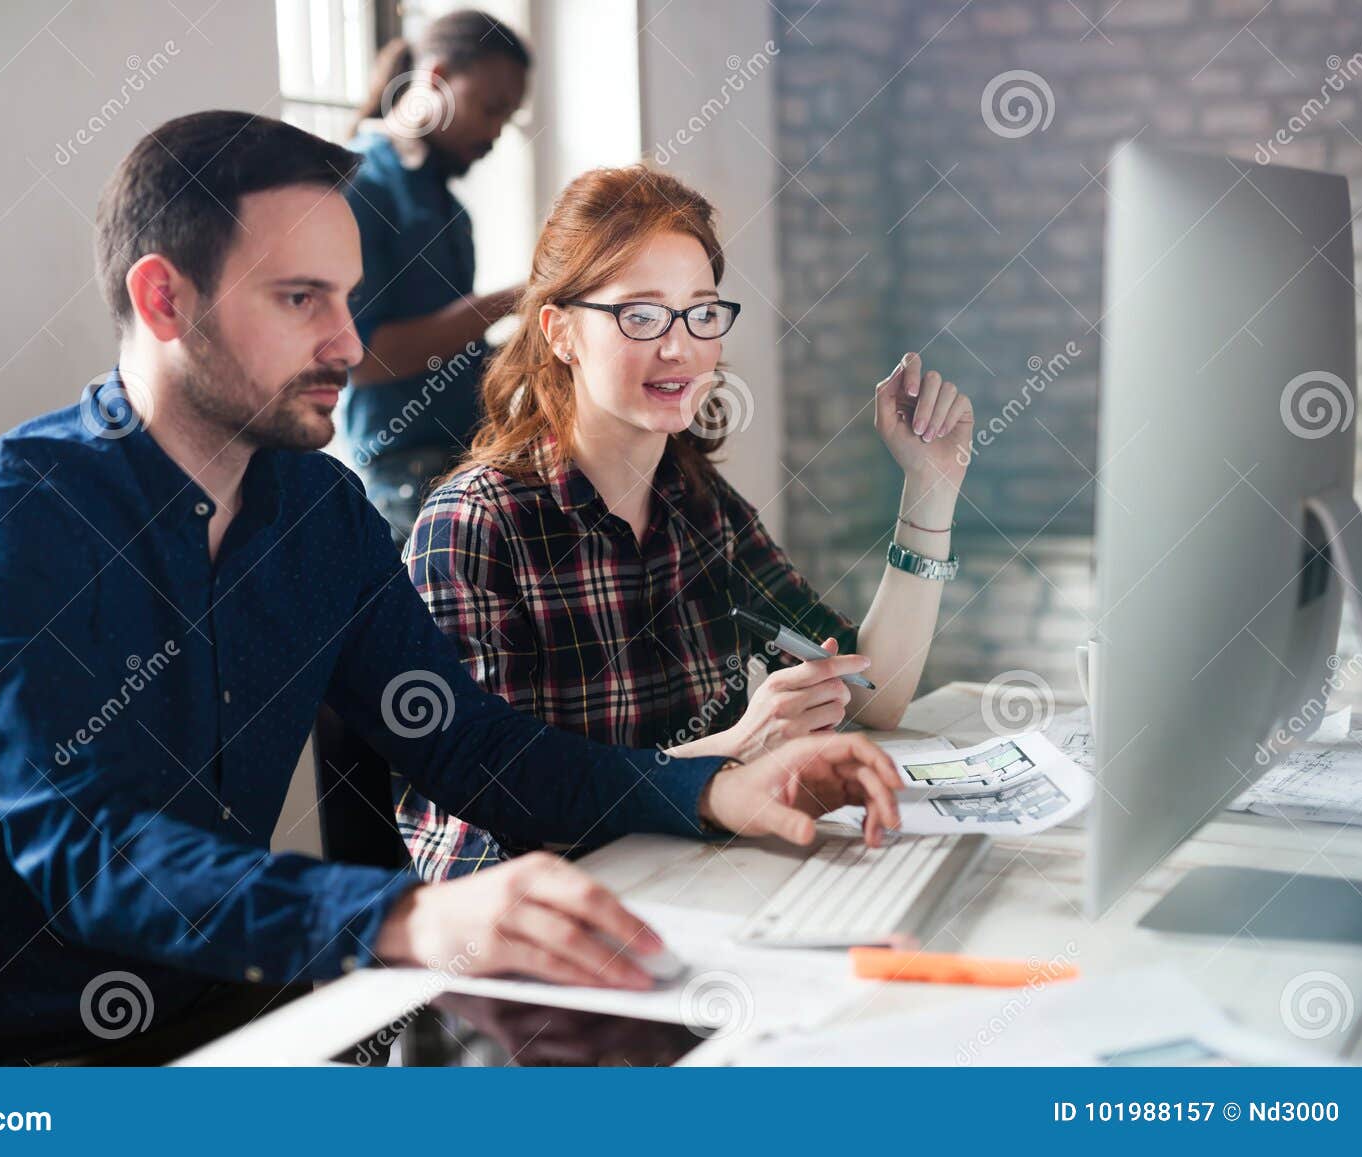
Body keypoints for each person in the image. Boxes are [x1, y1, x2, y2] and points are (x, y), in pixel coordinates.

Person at [0, 113, 902, 1065]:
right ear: (163, 299)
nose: (350, 343)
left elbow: (472, 745)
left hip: (249, 1016)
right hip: (14, 1063)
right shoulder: (5, 520)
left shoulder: (316, 509)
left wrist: (714, 788)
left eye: (348, 296)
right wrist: (403, 918)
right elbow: (88, 851)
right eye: (298, 298)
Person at [397, 166, 973, 882]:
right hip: (532, 922)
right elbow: (503, 791)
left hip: (690, 882)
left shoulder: (700, 506)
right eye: (641, 315)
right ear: (562, 333)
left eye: (702, 312)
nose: (681, 347)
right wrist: (734, 750)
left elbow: (873, 692)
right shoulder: (475, 525)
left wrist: (930, 489)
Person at [339, 9, 529, 544]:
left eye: (508, 117)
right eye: (490, 109)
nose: (495, 132)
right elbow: (363, 356)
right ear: (438, 80)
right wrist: (515, 298)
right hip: (402, 482)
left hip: (467, 463)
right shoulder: (361, 185)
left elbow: (453, 350)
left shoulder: (451, 210)